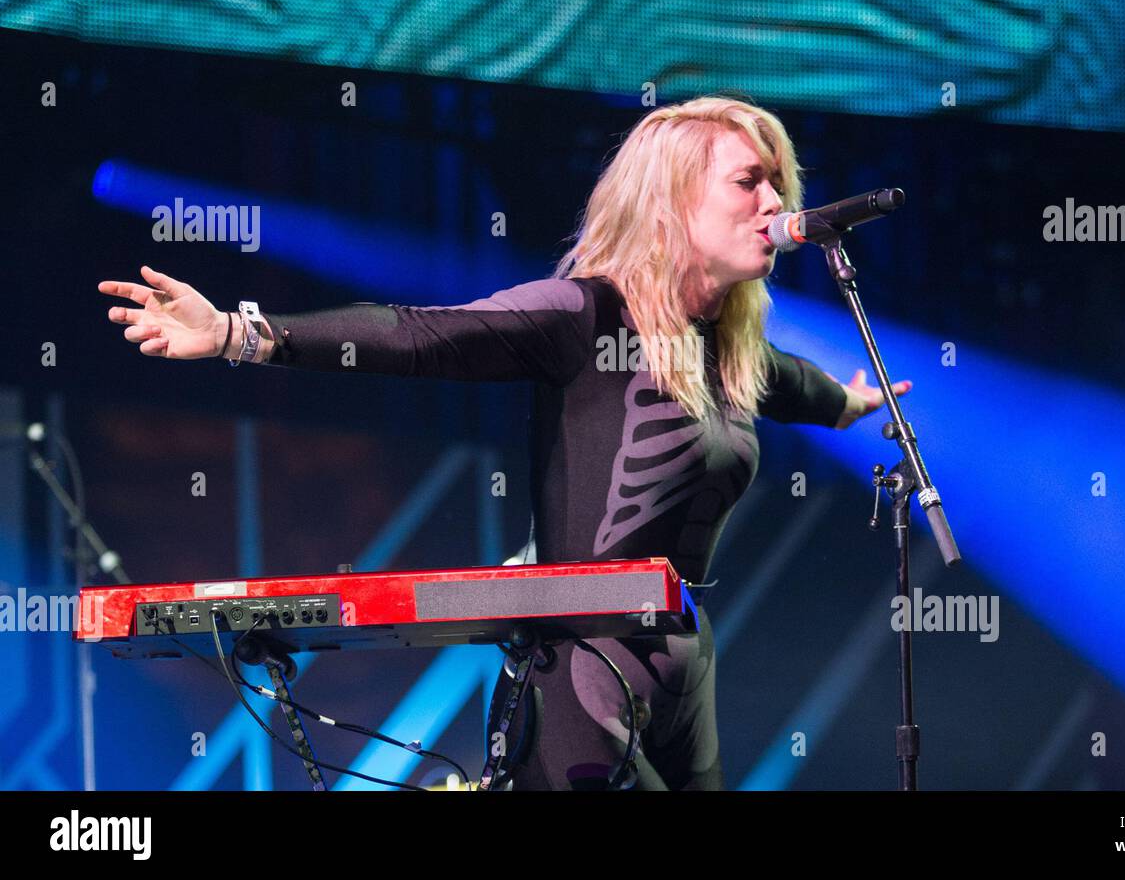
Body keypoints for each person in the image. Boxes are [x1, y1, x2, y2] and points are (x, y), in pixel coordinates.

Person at [98, 95, 911, 790]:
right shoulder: (582, 316)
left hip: (684, 658)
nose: (774, 202)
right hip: (588, 662)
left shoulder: (730, 353)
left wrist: (850, 404)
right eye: (748, 181)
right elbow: (420, 334)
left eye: (778, 182)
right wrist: (245, 334)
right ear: (670, 202)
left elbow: (798, 385)